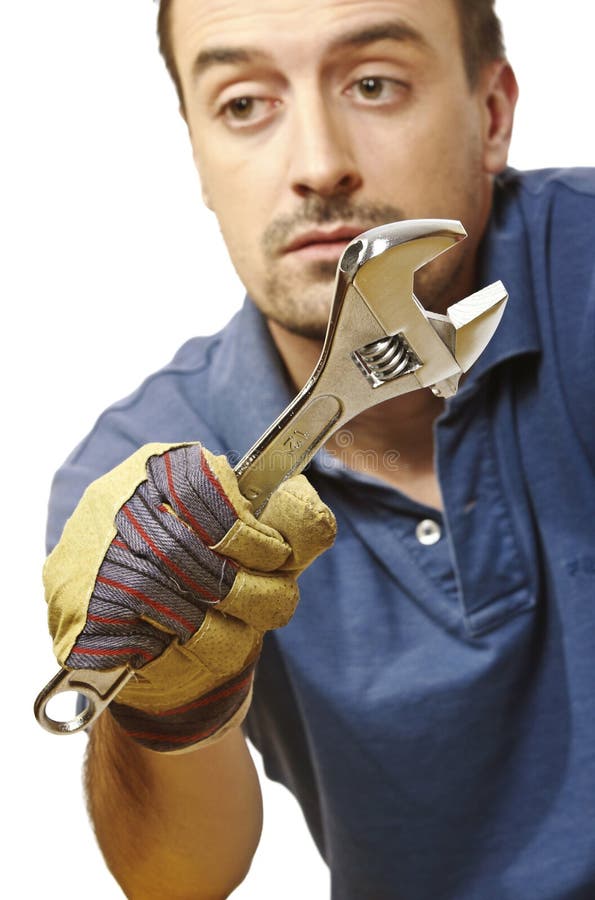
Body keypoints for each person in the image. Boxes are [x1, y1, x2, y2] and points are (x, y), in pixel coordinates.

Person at [42, 0, 595, 898]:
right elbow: (178, 879)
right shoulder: (148, 490)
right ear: (198, 158)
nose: (317, 167)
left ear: (489, 116)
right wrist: (165, 702)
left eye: (373, 84)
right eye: (244, 105)